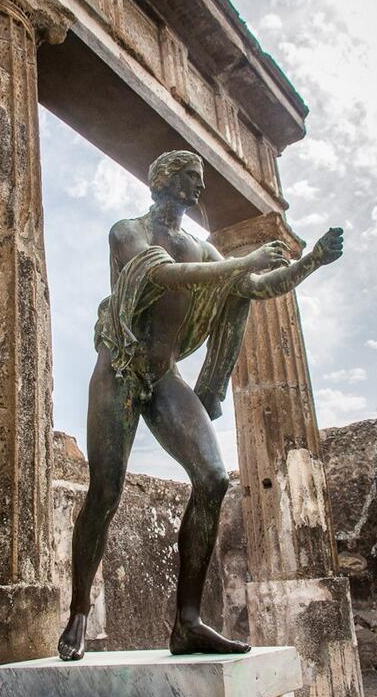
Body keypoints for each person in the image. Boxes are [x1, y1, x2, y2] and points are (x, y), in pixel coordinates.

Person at [58, 149, 343, 660]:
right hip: (121, 368)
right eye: (190, 177)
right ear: (161, 180)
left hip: (164, 375)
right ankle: (79, 612)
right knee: (105, 490)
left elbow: (254, 286)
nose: (197, 187)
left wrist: (311, 261)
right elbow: (162, 276)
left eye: (200, 180)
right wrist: (242, 262)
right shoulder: (128, 232)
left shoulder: (202, 248)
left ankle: (187, 623)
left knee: (212, 478)